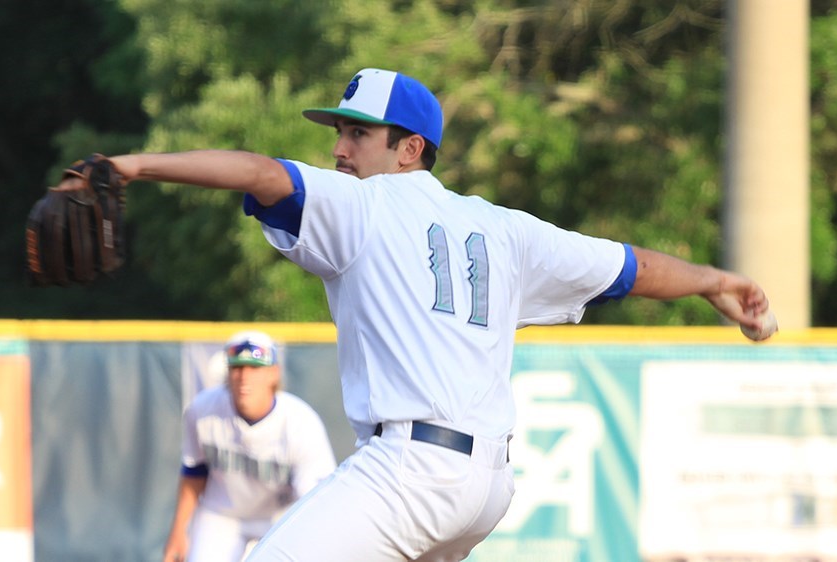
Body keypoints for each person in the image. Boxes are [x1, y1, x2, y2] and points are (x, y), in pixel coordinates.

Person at [61, 68, 774, 561]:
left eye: (360, 135)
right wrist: (714, 280)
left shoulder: (363, 203)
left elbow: (256, 171)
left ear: (410, 150)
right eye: (339, 131)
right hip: (485, 487)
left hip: (409, 471)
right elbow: (629, 267)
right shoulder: (509, 230)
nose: (340, 148)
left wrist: (131, 166)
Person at [161, 330, 336, 562]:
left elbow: (313, 500)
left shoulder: (301, 423)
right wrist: (179, 531)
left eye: (255, 368)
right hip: (221, 516)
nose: (244, 376)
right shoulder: (202, 411)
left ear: (273, 374)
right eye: (237, 367)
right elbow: (194, 473)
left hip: (280, 517)